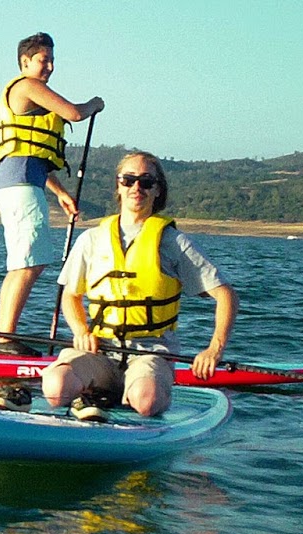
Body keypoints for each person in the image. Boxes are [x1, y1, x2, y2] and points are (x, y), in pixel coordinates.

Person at [33, 151, 238, 421]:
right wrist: (81, 330)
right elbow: (71, 296)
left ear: (157, 190)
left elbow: (226, 296)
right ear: (118, 186)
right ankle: (97, 397)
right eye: (128, 180)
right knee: (55, 387)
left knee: (146, 400)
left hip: (151, 354)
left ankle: (133, 396)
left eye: (146, 181)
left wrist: (214, 350)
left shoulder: (174, 243)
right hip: (99, 351)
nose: (136, 187)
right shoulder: (91, 239)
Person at [0, 31, 105, 350]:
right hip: (20, 183)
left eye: (53, 60)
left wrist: (60, 192)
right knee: (28, 262)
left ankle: (4, 335)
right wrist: (94, 104)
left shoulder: (31, 89)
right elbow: (74, 113)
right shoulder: (27, 86)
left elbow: (36, 156)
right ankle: (4, 337)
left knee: (26, 261)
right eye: (44, 60)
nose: (50, 67)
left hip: (24, 180)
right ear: (25, 61)